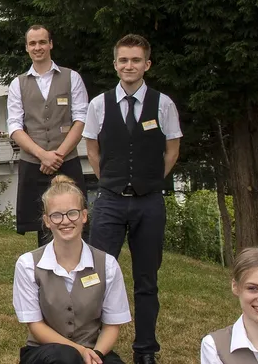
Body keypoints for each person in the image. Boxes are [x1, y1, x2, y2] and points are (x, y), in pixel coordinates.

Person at [84, 34, 181, 364]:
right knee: (96, 276)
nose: (129, 65)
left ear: (146, 64)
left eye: (136, 60)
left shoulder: (164, 104)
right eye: (123, 60)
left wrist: (147, 181)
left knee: (146, 281)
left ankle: (145, 351)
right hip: (109, 201)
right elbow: (93, 151)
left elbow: (172, 151)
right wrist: (112, 182)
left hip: (149, 202)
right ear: (115, 64)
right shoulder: (98, 104)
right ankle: (92, 345)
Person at [12, 175, 130, 364]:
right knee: (66, 358)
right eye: (56, 215)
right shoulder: (27, 264)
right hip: (45, 353)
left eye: (72, 213)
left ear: (84, 216)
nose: (65, 221)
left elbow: (112, 325)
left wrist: (96, 355)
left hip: (95, 351)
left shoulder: (107, 264)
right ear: (47, 221)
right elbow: (35, 326)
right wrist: (80, 351)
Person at [6, 25, 90, 248]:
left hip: (67, 160)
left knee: (76, 217)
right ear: (26, 48)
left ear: (51, 44)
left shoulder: (72, 78)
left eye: (42, 42)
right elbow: (14, 126)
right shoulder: (18, 83)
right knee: (42, 224)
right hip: (33, 162)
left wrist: (58, 155)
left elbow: (81, 119)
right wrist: (43, 155)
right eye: (32, 43)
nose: (38, 47)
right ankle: (47, 273)